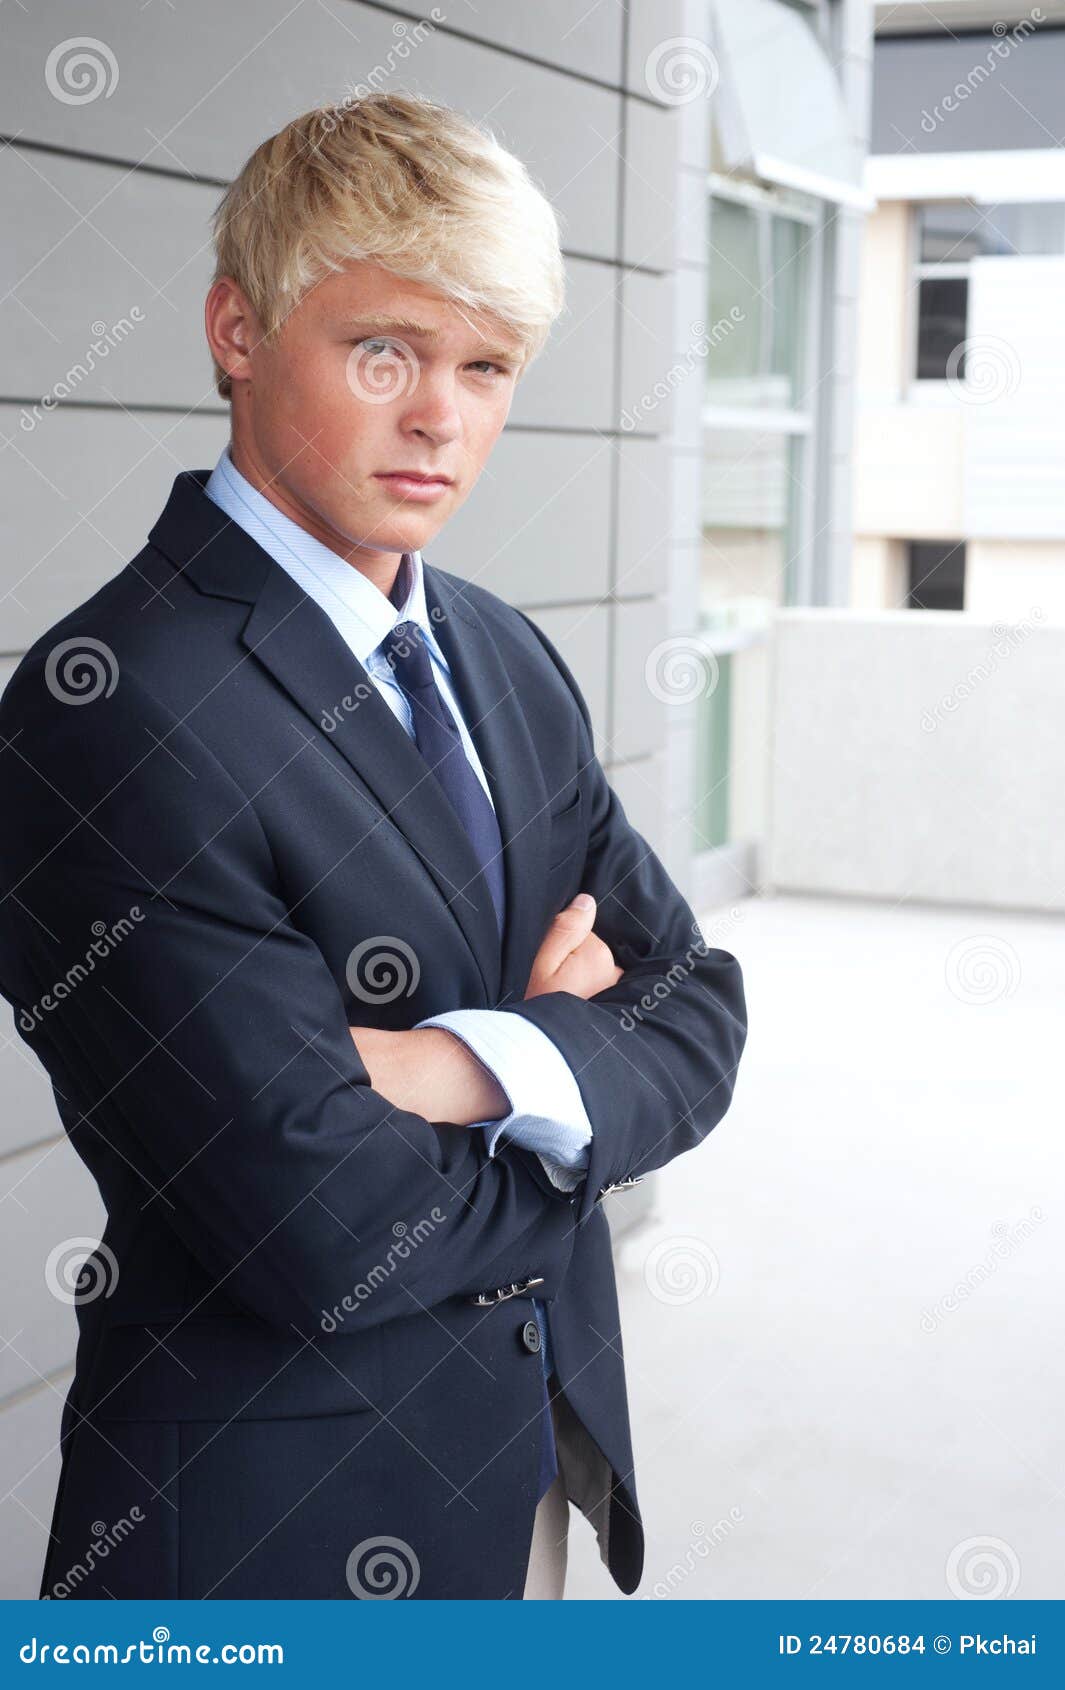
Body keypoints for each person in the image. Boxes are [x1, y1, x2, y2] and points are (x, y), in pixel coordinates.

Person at [0, 92, 747, 1600]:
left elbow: (700, 1009)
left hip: (530, 1461)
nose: (441, 417)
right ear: (236, 328)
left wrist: (464, 1064)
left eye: (485, 368)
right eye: (384, 351)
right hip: (274, 1528)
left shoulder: (502, 654)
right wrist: (566, 1060)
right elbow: (317, 1220)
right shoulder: (113, 703)